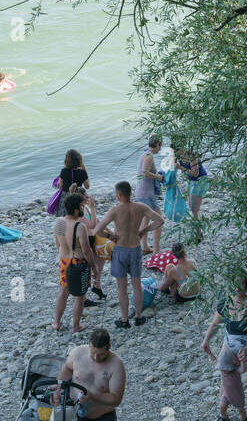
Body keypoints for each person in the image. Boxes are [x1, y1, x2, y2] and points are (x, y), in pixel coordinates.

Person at [202, 274, 247, 420]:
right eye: (234, 285)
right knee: (225, 379)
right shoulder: (225, 302)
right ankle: (222, 413)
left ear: (246, 285)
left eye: (240, 285)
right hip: (229, 344)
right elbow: (215, 324)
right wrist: (206, 340)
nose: (237, 289)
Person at [92, 181, 161, 328]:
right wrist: (145, 230)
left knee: (121, 288)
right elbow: (159, 221)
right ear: (130, 192)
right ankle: (138, 316)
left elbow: (97, 230)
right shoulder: (141, 207)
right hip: (135, 249)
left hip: (120, 250)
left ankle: (124, 319)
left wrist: (110, 238)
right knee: (136, 285)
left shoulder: (115, 211)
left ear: (118, 195)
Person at [53, 191, 99, 333]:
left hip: (63, 260)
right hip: (78, 262)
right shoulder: (80, 227)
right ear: (75, 210)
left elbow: (58, 244)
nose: (82, 209)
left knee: (63, 292)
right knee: (79, 296)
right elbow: (86, 250)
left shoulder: (58, 222)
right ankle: (76, 326)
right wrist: (94, 267)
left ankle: (56, 322)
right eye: (81, 206)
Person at [135, 135, 164, 254]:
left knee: (145, 219)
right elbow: (144, 173)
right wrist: (158, 177)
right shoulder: (149, 156)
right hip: (146, 194)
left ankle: (144, 247)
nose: (160, 149)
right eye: (160, 146)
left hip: (140, 192)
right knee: (159, 218)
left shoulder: (144, 154)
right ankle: (156, 250)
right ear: (157, 144)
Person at [208, 344, 247, 421]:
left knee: (240, 408)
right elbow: (214, 361)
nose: (222, 369)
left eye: (225, 368)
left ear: (232, 366)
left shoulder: (235, 370)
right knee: (222, 406)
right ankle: (224, 417)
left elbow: (243, 370)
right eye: (221, 367)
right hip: (226, 393)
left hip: (236, 393)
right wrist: (209, 353)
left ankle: (244, 419)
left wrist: (242, 361)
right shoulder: (222, 369)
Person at [177, 149, 208, 218]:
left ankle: (198, 226)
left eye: (176, 150)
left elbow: (195, 174)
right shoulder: (178, 156)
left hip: (199, 181)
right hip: (190, 181)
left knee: (194, 209)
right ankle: (197, 222)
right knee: (191, 206)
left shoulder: (191, 156)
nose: (175, 152)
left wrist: (179, 167)